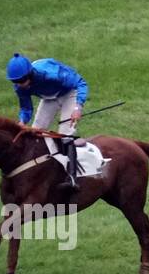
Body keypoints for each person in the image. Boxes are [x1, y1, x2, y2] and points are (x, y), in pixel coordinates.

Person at [5, 53, 88, 192]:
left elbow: (80, 83)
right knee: (34, 132)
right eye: (16, 81)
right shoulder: (20, 87)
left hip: (69, 93)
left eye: (22, 80)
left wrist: (78, 107)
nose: (19, 84)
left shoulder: (50, 74)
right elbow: (26, 108)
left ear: (30, 74)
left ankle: (73, 179)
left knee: (65, 134)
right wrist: (22, 121)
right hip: (49, 98)